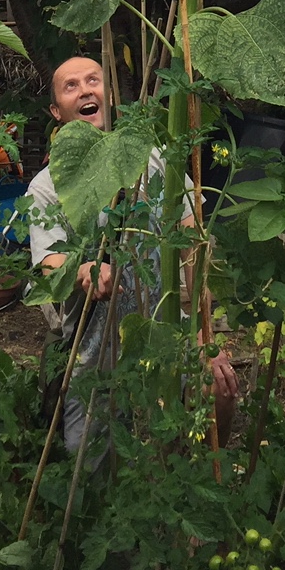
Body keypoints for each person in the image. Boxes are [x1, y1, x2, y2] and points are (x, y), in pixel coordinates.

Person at [26, 54, 238, 453]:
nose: (86, 89)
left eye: (94, 80)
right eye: (71, 85)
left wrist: (206, 337)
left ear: (110, 95)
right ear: (56, 111)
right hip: (95, 347)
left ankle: (204, 474)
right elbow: (48, 265)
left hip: (164, 326)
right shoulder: (46, 186)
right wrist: (82, 268)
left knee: (219, 390)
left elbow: (192, 239)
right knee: (88, 465)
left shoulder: (150, 158)